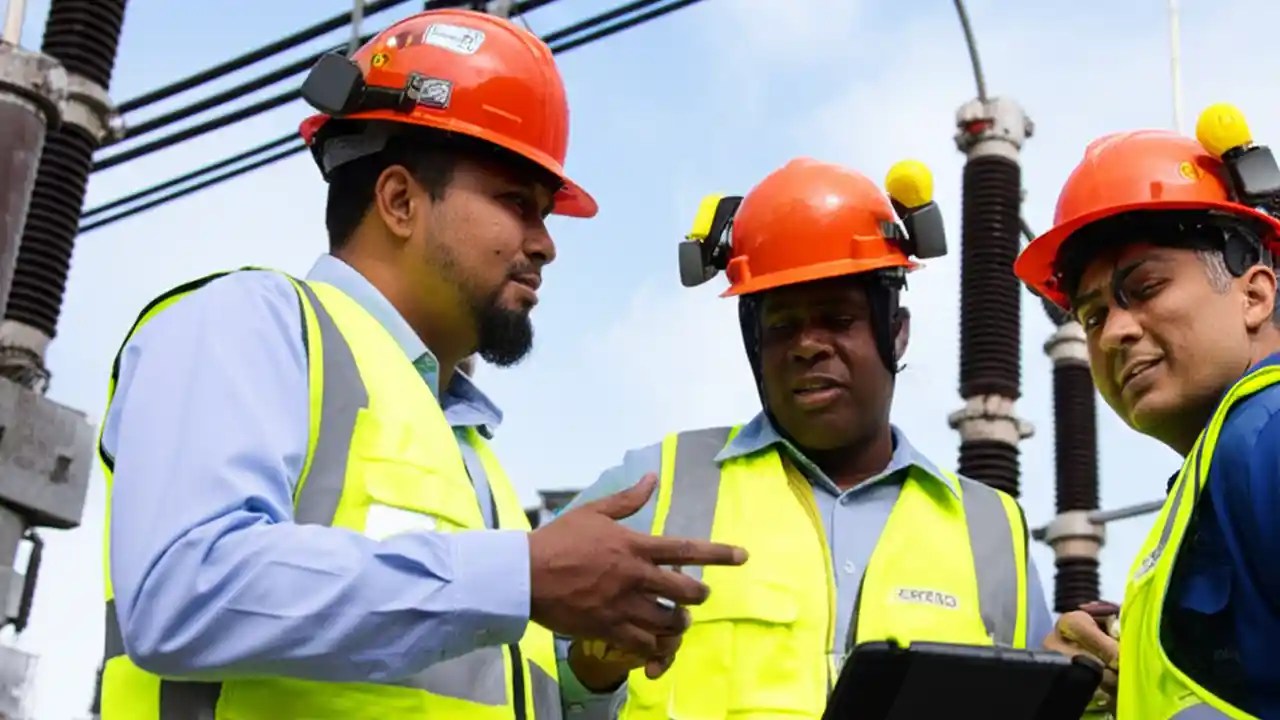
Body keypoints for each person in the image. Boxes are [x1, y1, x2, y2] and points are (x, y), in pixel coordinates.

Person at [94, 9, 744, 719]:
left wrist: (587, 676)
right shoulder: (249, 322)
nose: (545, 243)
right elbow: (181, 593)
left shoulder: (467, 456)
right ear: (400, 201)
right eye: (516, 203)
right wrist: (523, 574)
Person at [553, 158, 1053, 718]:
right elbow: (513, 676)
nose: (808, 346)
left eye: (838, 319)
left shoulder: (992, 530)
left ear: (897, 331)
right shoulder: (653, 488)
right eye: (782, 326)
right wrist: (589, 676)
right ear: (754, 346)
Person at [1013, 115, 1280, 718]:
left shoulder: (1266, 435)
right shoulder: (1221, 466)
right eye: (1092, 316)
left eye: (1147, 287)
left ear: (1254, 294)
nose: (1115, 333)